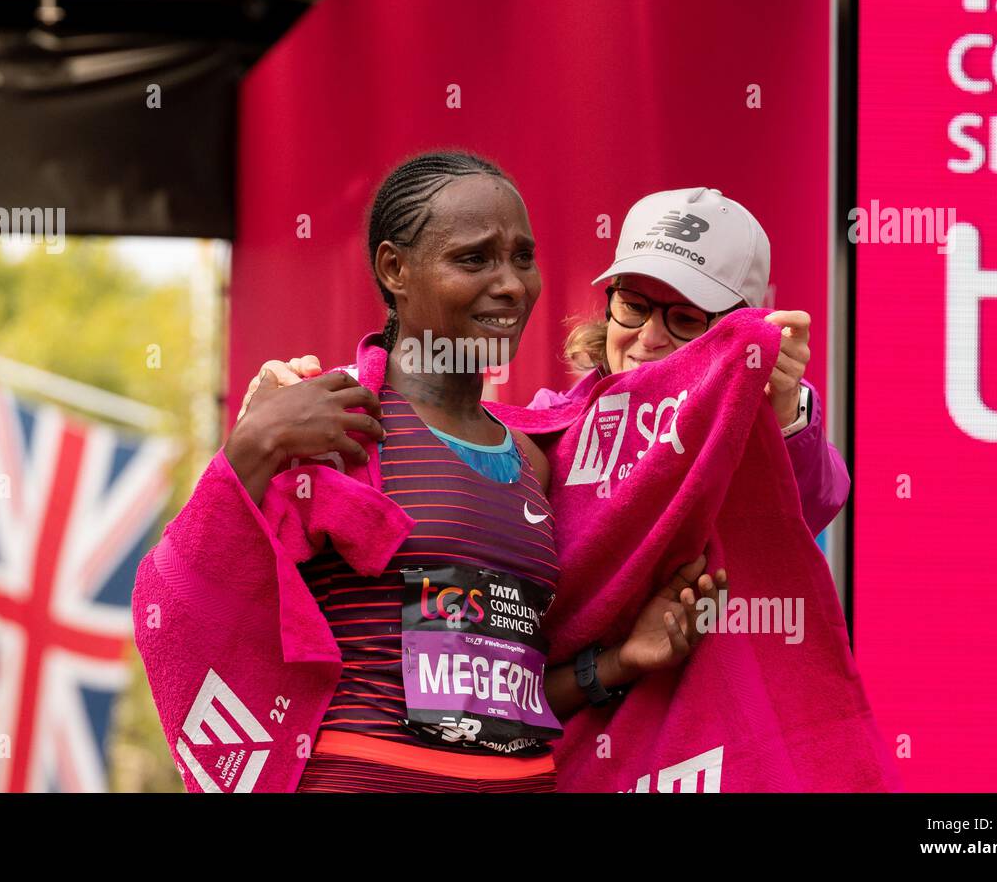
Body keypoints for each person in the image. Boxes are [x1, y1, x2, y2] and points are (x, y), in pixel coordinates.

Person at [141, 151, 724, 793]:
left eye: (522, 258)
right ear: (395, 268)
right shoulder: (331, 420)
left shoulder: (533, 459)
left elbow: (500, 711)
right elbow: (185, 587)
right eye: (474, 259)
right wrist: (253, 444)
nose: (510, 284)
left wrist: (618, 663)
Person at [544, 186, 849, 536]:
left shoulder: (778, 417)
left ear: (741, 330)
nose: (649, 337)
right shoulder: (548, 423)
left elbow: (803, 513)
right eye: (633, 305)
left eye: (685, 319)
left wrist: (781, 415)